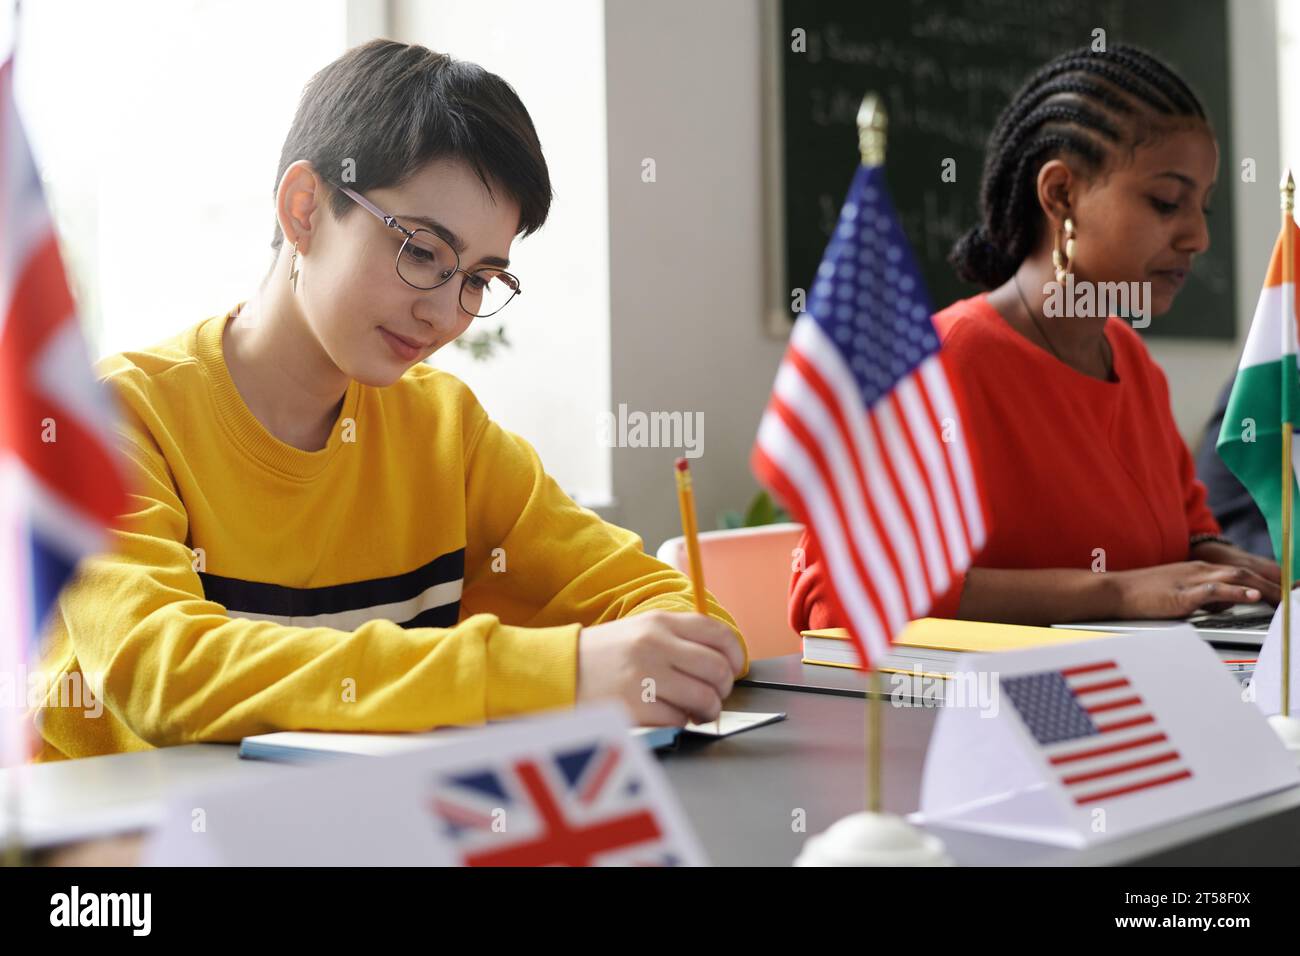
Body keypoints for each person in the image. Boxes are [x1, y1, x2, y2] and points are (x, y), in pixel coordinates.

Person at [36, 39, 746, 761]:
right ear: (305, 208)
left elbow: (682, 615)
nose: (445, 315)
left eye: (477, 279)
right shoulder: (117, 420)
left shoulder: (444, 430)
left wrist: (667, 655)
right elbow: (166, 673)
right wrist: (551, 674)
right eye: (424, 252)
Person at [791, 43, 1280, 630]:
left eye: (1204, 207)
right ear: (1060, 195)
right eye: (1167, 201)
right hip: (963, 715)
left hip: (1125, 697)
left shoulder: (1130, 360)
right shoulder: (942, 363)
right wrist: (1114, 594)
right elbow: (836, 599)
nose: (1198, 237)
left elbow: (1186, 528)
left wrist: (1227, 567)